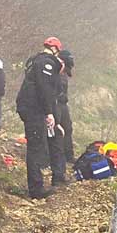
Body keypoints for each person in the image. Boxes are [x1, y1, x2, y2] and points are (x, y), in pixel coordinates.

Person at [16, 36, 63, 199]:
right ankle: (36, 189)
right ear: (56, 50)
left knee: (36, 144)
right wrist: (49, 113)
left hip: (29, 106)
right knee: (35, 146)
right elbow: (45, 89)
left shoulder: (36, 60)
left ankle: (36, 184)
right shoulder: (47, 63)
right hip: (33, 108)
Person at [50, 47, 76, 180]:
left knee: (68, 129)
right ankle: (58, 169)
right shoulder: (55, 70)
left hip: (63, 104)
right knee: (58, 133)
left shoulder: (65, 72)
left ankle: (69, 156)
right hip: (56, 104)